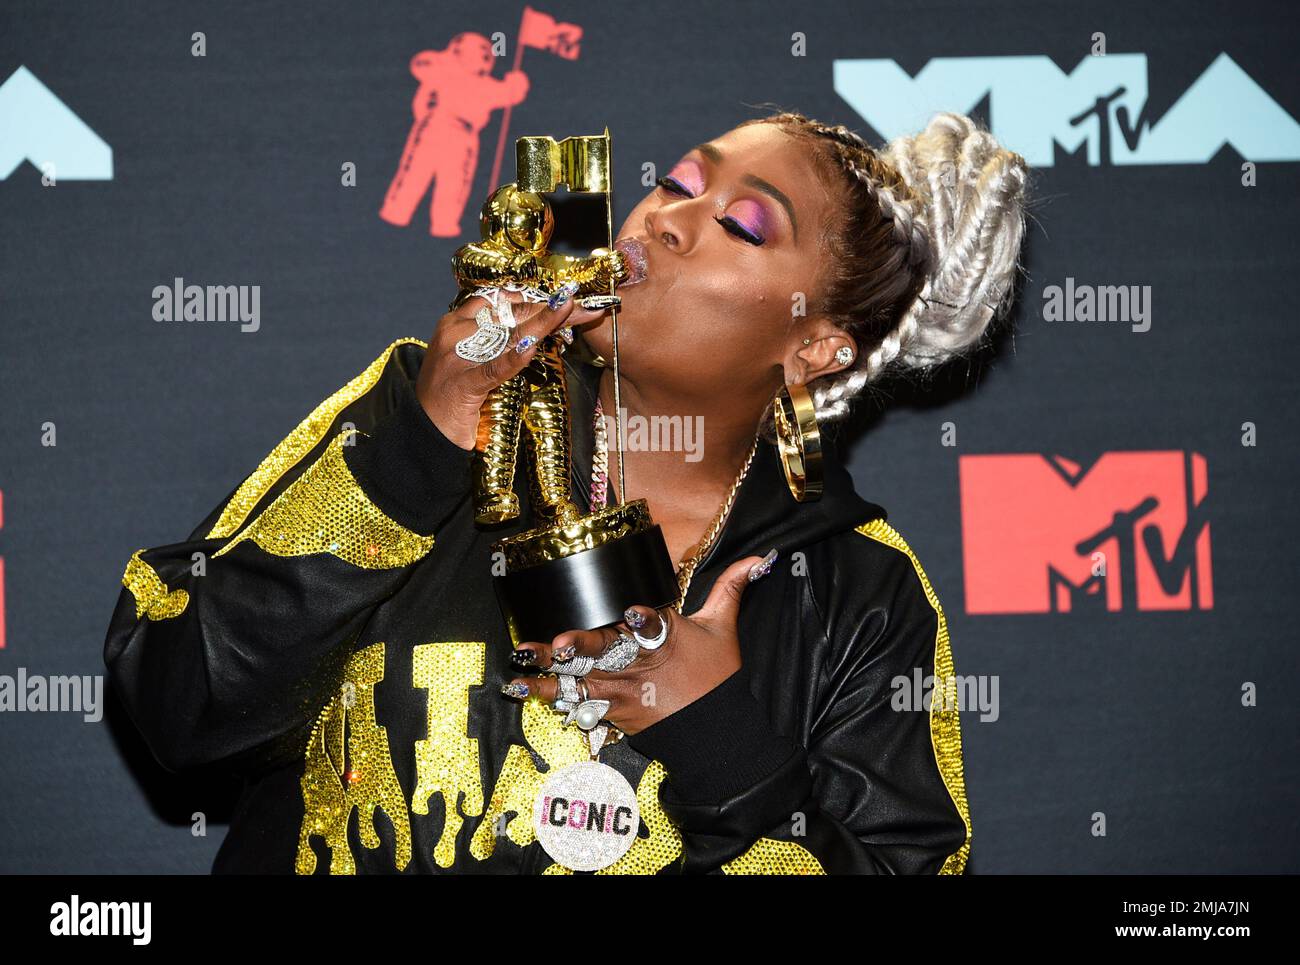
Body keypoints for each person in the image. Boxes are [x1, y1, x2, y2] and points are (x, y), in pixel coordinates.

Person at [104, 109, 1030, 874]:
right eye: (675, 182)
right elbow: (177, 701)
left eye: (744, 225)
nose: (663, 219)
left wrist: (721, 746)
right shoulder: (421, 413)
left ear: (816, 346)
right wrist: (411, 459)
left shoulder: (859, 589)